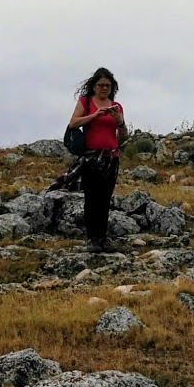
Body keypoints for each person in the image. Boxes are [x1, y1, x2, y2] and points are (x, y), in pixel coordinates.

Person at [56, 67, 126, 251]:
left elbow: (124, 136)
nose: (104, 89)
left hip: (111, 157)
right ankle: (92, 239)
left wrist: (120, 121)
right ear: (93, 86)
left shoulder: (116, 107)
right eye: (101, 85)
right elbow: (73, 123)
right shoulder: (85, 102)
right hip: (91, 158)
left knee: (105, 198)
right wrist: (94, 116)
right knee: (92, 198)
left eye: (108, 86)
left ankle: (103, 238)